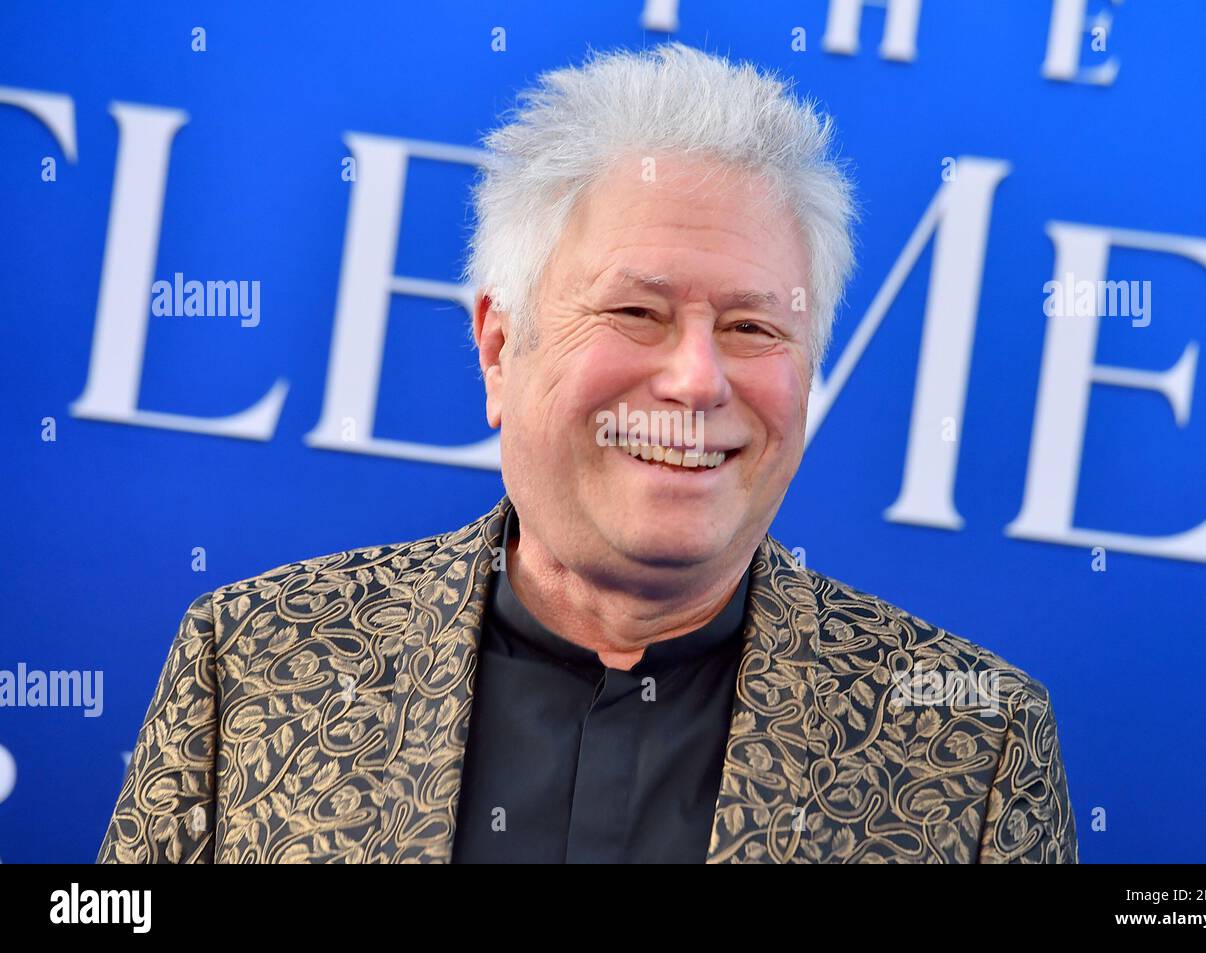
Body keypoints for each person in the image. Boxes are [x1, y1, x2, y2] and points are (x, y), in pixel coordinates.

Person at [98, 42, 1077, 864]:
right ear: (497, 346)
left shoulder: (971, 741)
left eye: (751, 327)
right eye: (635, 311)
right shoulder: (257, 663)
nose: (697, 379)